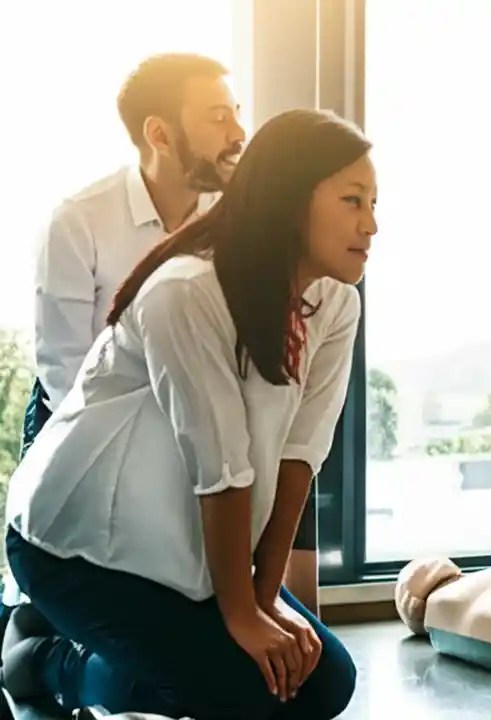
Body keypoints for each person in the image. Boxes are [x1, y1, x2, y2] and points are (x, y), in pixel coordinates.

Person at [1, 107, 373, 720]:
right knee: (241, 694)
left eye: (374, 203)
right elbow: (219, 466)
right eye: (353, 200)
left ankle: (135, 652)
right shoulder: (187, 290)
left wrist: (263, 597)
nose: (372, 224)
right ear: (290, 198)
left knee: (323, 684)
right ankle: (49, 664)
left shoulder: (336, 303)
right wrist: (238, 615)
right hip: (77, 546)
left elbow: (299, 455)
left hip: (190, 547)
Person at [18, 52, 322, 616]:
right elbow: (65, 375)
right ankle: (44, 644)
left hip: (203, 409)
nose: (238, 133)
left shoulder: (240, 217)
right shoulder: (78, 220)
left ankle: (283, 613)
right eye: (217, 118)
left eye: (236, 113)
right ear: (159, 133)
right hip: (90, 417)